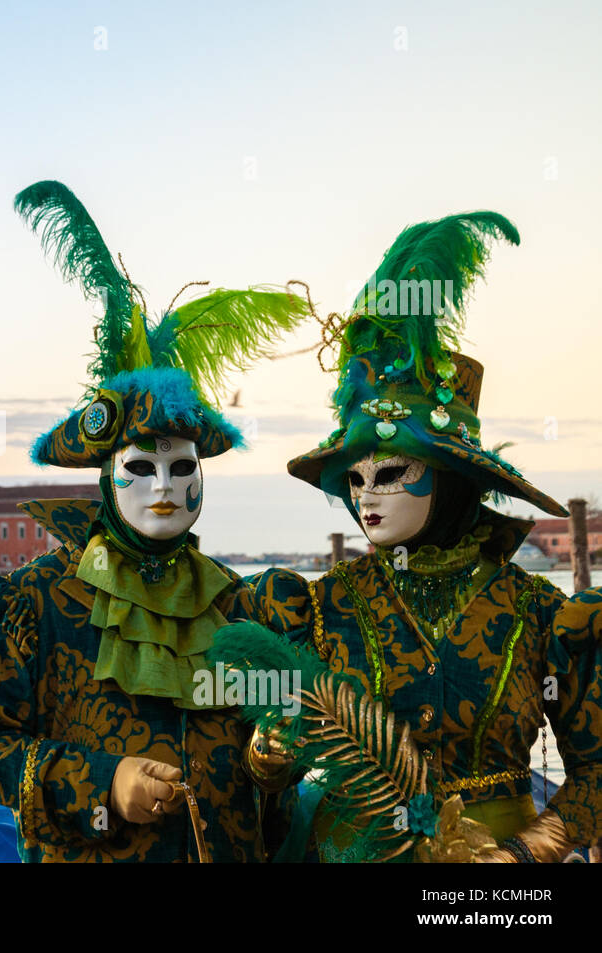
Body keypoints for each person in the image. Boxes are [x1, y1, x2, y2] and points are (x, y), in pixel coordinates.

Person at [0, 180, 308, 861]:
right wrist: (103, 782)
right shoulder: (31, 602)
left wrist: (271, 758)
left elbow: (271, 773)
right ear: (106, 477)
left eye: (183, 466)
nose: (165, 486)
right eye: (141, 467)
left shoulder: (240, 603)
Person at [242, 212, 602, 862]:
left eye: (391, 471)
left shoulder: (545, 614)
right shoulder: (317, 610)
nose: (366, 495)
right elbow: (268, 772)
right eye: (353, 477)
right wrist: (269, 753)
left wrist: (529, 850)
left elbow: (597, 772)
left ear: (451, 477)